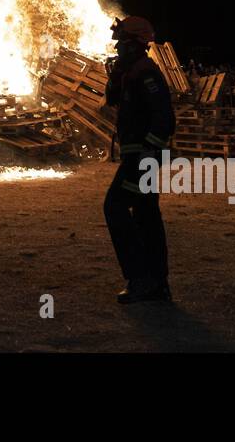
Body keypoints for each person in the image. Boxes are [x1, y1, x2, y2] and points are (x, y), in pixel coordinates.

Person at [103, 15, 175, 304]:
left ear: (136, 44)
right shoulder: (132, 71)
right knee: (146, 216)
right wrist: (114, 77)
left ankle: (140, 277)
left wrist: (147, 153)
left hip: (142, 159)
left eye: (122, 43)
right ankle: (156, 283)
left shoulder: (146, 72)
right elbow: (114, 101)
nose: (118, 48)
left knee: (114, 206)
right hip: (139, 157)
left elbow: (164, 119)